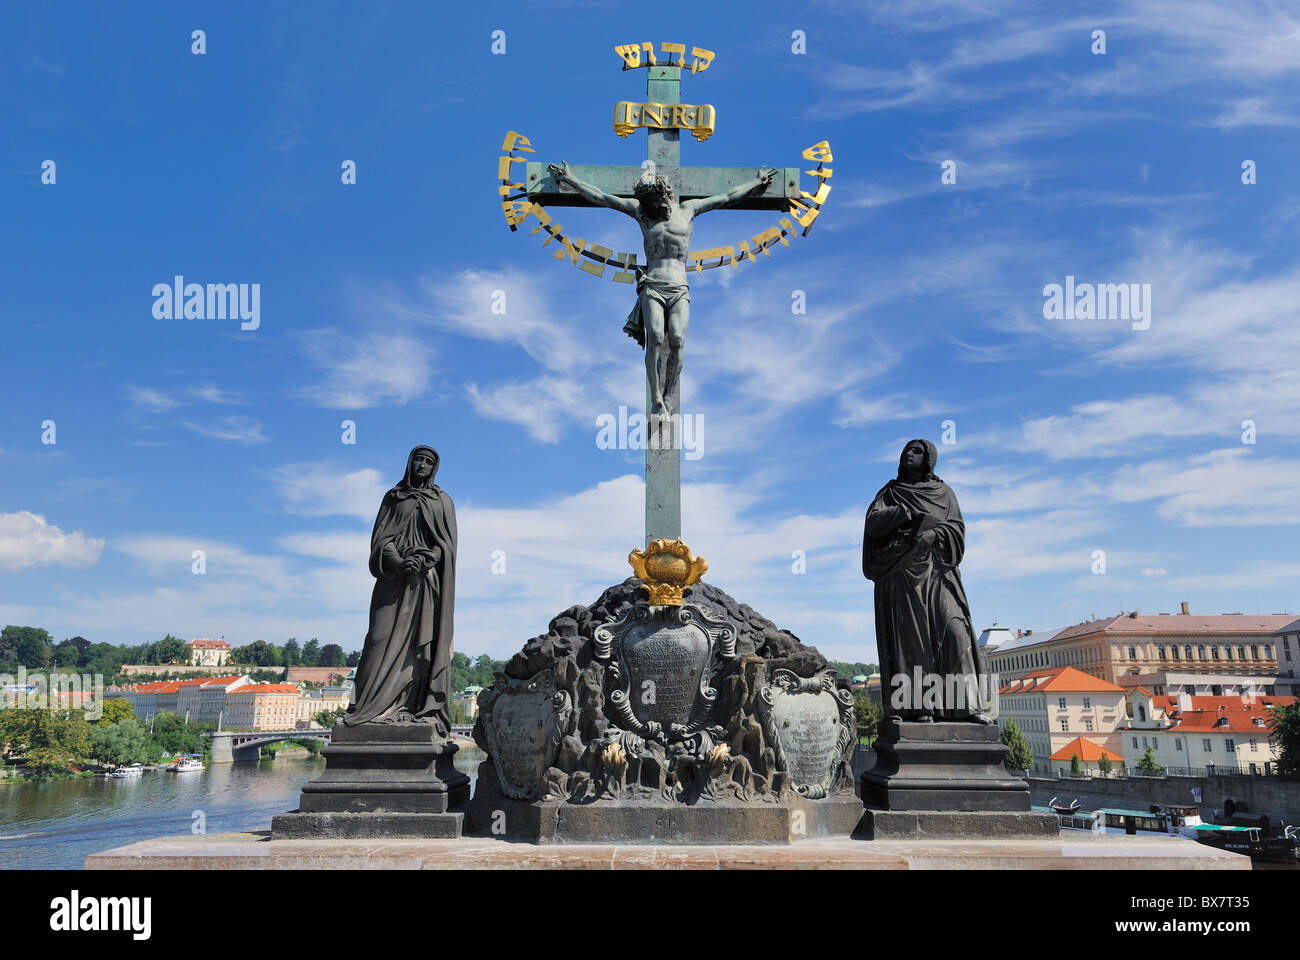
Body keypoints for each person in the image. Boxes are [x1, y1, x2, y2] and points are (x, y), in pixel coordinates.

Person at [548, 161, 775, 415]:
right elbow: (603, 197)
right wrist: (571, 179)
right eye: (650, 205)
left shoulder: (688, 210)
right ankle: (656, 398)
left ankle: (668, 395)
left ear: (666, 195)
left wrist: (756, 183)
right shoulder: (643, 214)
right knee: (655, 337)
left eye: (657, 202)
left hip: (679, 287)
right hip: (653, 285)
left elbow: (727, 196)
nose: (655, 208)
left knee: (677, 339)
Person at [862, 439, 991, 723]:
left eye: (917, 451)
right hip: (903, 575)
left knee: (956, 632)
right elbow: (873, 521)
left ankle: (966, 707)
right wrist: (904, 513)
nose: (909, 454)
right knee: (912, 642)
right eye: (907, 450)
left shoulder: (944, 493)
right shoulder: (892, 492)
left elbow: (957, 529)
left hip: (938, 573)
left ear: (930, 458)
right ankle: (917, 708)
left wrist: (935, 534)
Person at [343, 445, 457, 731]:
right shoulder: (393, 498)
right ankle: (365, 706)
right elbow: (381, 540)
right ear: (410, 463)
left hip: (425, 583)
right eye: (418, 459)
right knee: (377, 638)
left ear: (434, 468)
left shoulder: (442, 501)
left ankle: (412, 706)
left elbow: (447, 546)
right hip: (393, 580)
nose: (422, 465)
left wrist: (427, 558)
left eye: (428, 462)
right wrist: (398, 561)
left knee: (423, 649)